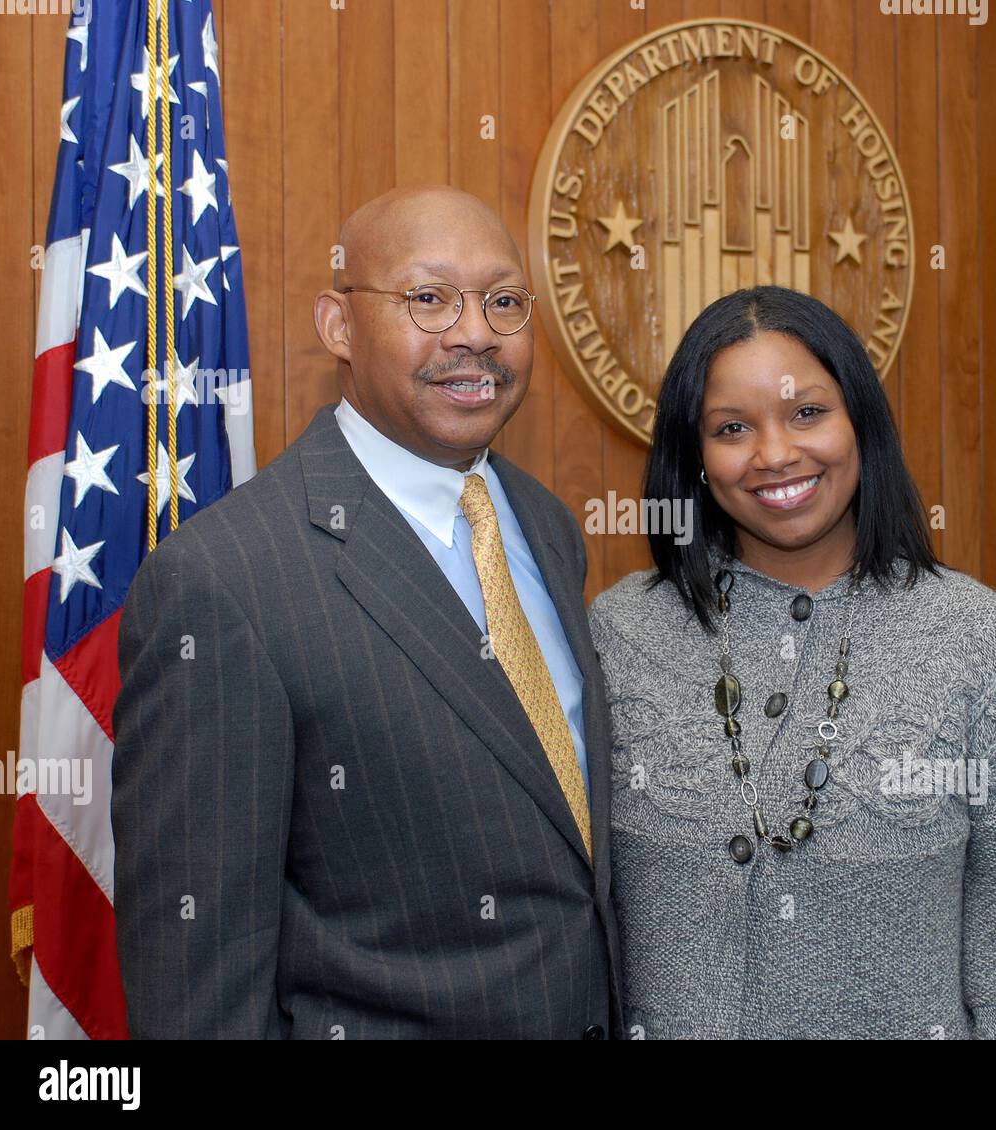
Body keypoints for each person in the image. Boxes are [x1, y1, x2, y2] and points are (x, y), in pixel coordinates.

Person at [112, 185, 622, 1039]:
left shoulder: (544, 525)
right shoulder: (222, 582)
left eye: (503, 302)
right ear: (338, 326)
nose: (473, 334)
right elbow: (197, 990)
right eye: (428, 298)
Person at [587, 285, 996, 1039]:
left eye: (807, 412)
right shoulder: (620, 632)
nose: (775, 454)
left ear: (860, 424)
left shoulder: (973, 639)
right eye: (732, 427)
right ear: (695, 458)